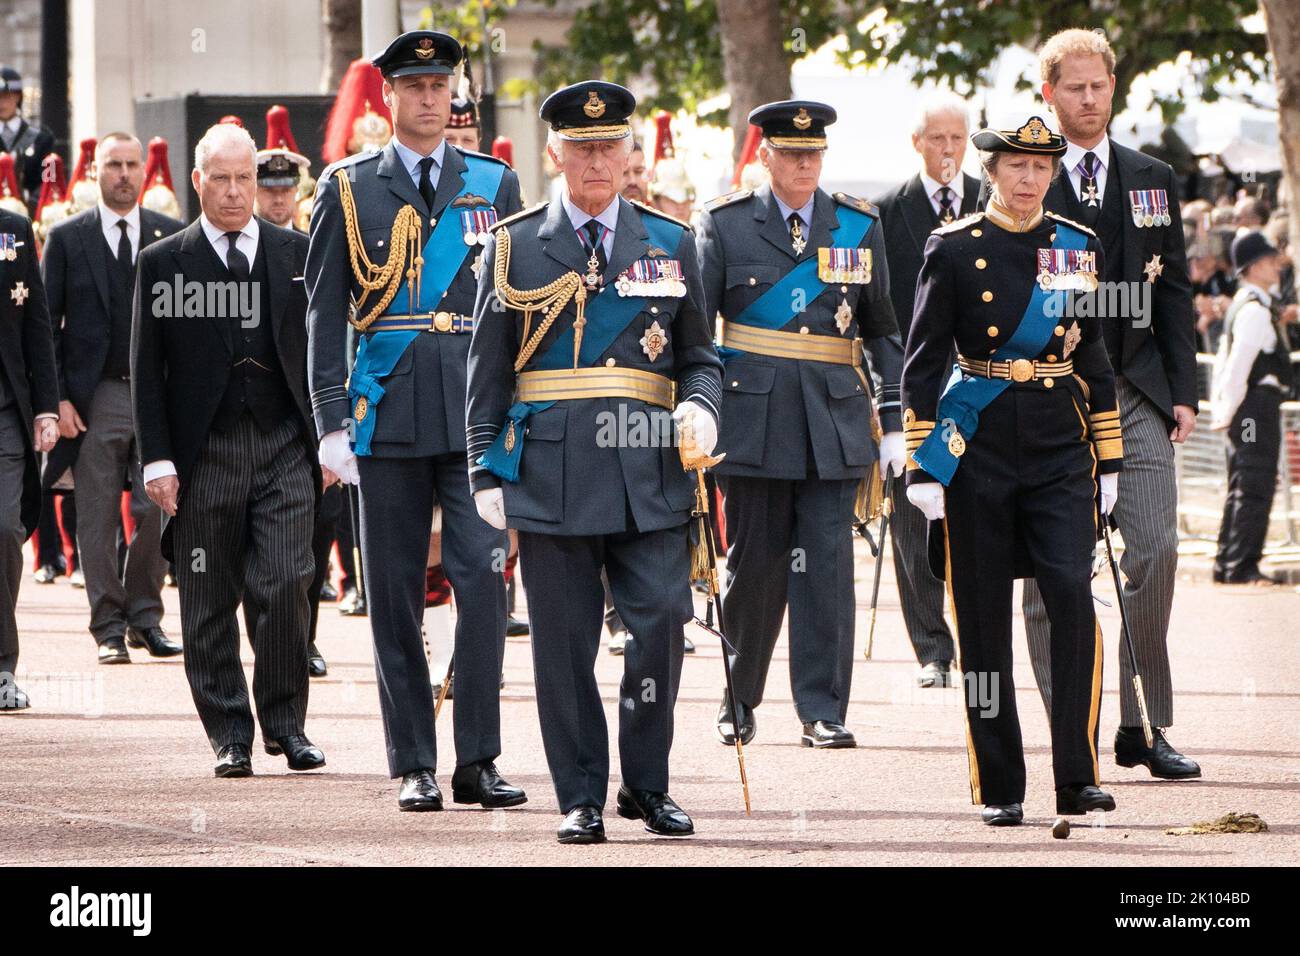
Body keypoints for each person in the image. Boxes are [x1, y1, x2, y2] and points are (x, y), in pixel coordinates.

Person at [466, 80, 722, 844]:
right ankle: (579, 792)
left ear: (630, 152)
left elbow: (700, 353)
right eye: (582, 148)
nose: (598, 161)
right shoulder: (513, 245)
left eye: (611, 146)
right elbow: (487, 368)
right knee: (563, 642)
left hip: (650, 469)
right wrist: (484, 469)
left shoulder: (670, 241)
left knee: (662, 624)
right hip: (551, 470)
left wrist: (703, 404)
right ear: (555, 155)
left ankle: (646, 783)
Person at [307, 30, 526, 812]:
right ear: (390, 97)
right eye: (415, 86)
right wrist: (331, 421)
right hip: (387, 411)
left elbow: (514, 309)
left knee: (484, 584)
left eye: (442, 85)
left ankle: (479, 759)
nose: (431, 98)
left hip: (472, 415)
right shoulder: (346, 186)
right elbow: (324, 310)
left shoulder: (495, 184)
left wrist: (515, 415)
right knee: (395, 591)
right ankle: (413, 761)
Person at [904, 115, 1121, 826]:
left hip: (1060, 448)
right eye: (1015, 168)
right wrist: (923, 465)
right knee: (985, 620)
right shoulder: (955, 248)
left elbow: (1092, 356)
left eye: (1041, 169)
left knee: (1071, 598)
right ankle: (1001, 782)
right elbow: (924, 359)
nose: (1028, 181)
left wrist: (1109, 455)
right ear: (991, 171)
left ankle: (1077, 775)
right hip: (980, 450)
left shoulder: (1075, 246)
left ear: (1053, 175)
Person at [697, 100, 905, 749]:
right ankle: (740, 696)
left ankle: (822, 708)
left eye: (813, 153)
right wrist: (696, 408)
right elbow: (697, 330)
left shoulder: (856, 225)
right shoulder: (725, 225)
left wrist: (895, 416)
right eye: (791, 153)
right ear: (766, 156)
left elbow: (882, 329)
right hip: (752, 422)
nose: (804, 163)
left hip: (833, 422)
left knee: (825, 570)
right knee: (754, 567)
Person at [1025, 29, 1201, 780]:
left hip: (1137, 389)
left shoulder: (1153, 175)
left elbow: (1176, 293)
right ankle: (1074, 729)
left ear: (1113, 87)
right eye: (1075, 88)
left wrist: (1185, 392)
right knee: (1050, 574)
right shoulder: (1019, 178)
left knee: (1157, 548)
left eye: (1100, 85)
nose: (1090, 99)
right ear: (1050, 94)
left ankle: (1142, 721)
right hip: (1046, 397)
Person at [132, 122, 324, 777]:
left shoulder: (297, 254)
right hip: (205, 453)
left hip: (284, 447)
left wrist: (332, 440)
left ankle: (286, 725)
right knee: (208, 598)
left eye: (246, 178)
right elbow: (146, 367)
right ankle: (229, 734)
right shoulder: (164, 262)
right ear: (198, 181)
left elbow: (328, 355)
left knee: (287, 581)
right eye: (223, 178)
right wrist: (157, 460)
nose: (237, 192)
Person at [41, 132, 184, 666]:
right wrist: (58, 398)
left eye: (131, 165)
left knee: (159, 504)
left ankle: (146, 616)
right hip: (94, 395)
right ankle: (107, 626)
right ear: (95, 172)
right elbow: (46, 326)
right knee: (97, 512)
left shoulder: (171, 236)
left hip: (157, 395)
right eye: (113, 165)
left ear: (144, 170)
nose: (123, 174)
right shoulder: (67, 239)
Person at [872, 93, 981, 688]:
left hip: (979, 388)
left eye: (956, 139)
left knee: (975, 512)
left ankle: (976, 638)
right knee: (914, 518)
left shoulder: (990, 204)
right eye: (936, 139)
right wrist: (888, 395)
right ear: (917, 142)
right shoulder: (887, 211)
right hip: (912, 383)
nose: (947, 150)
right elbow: (880, 313)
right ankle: (931, 648)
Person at [0, 205, 60, 710]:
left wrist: (45, 406)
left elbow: (36, 324)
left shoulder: (13, 230)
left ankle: (2, 666)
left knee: (4, 530)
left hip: (6, 411)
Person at [1210, 232, 1294, 585]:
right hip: (1253, 408)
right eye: (1271, 259)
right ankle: (1241, 566)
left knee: (1244, 480)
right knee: (1254, 481)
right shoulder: (1254, 311)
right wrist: (1228, 412)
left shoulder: (1247, 304)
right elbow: (1239, 365)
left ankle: (1229, 562)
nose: (1277, 265)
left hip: (1247, 408)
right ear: (1256, 266)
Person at [0, 66, 55, 212]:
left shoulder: (41, 138)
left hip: (29, 213)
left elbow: (50, 179)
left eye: (6, 96)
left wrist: (32, 204)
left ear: (18, 97)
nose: (1, 102)